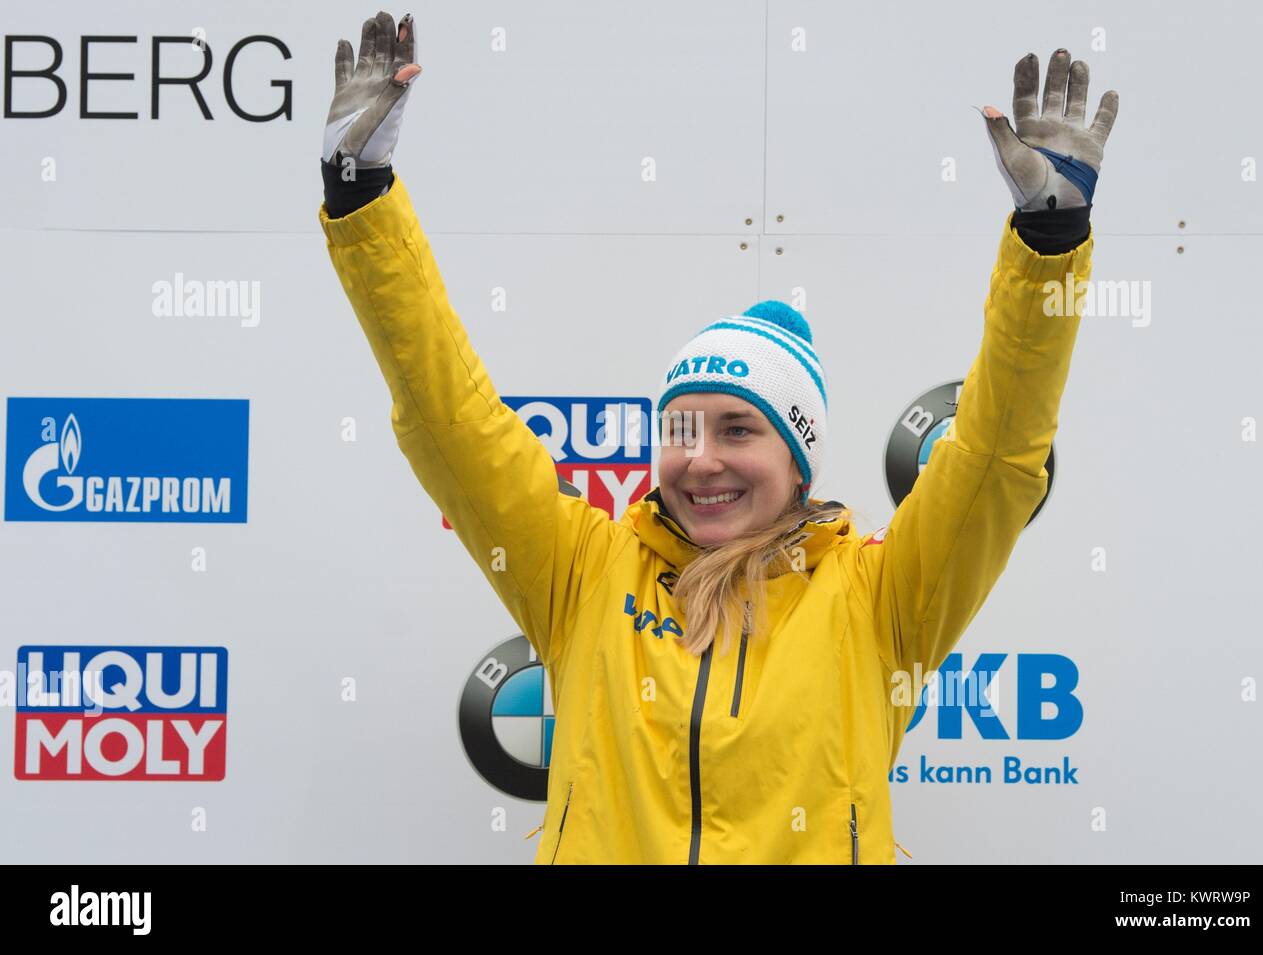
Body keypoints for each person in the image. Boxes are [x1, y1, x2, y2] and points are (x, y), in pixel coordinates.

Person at [318, 13, 1118, 864]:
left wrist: (1049, 244)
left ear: (796, 460)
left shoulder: (883, 599)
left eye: (739, 428)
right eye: (681, 428)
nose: (701, 458)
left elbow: (998, 456)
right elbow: (450, 421)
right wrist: (361, 193)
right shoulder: (581, 572)